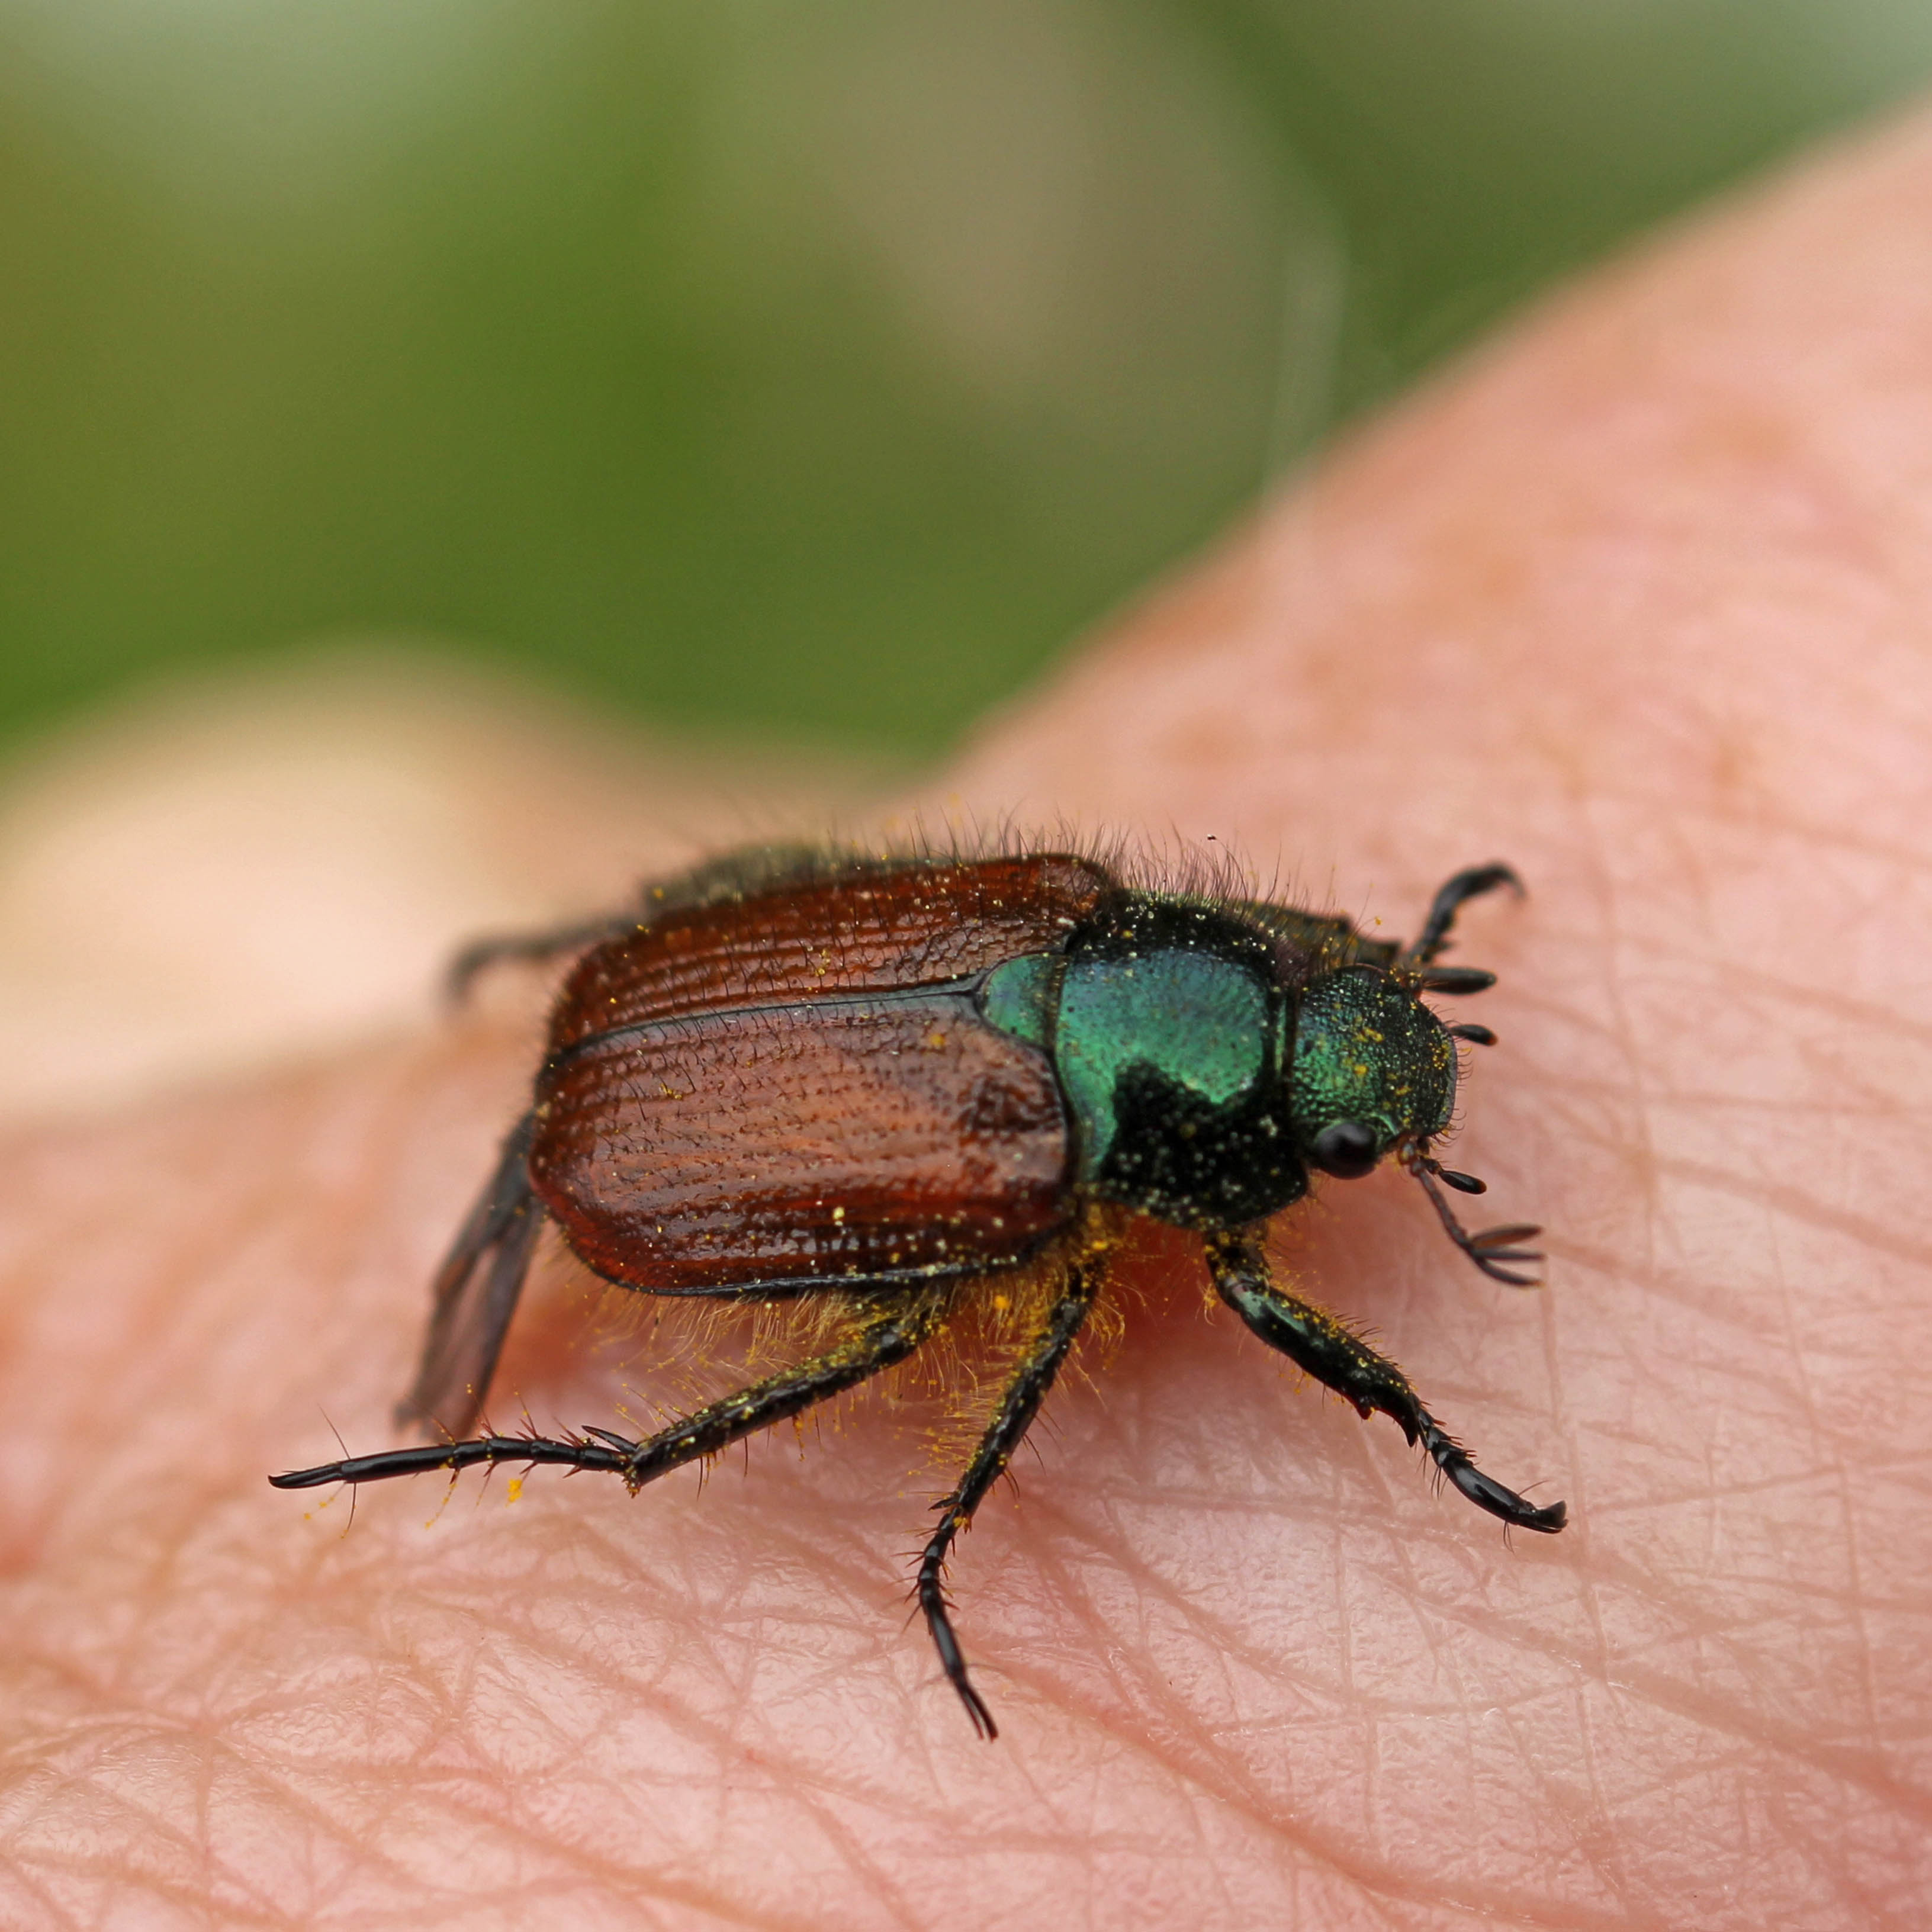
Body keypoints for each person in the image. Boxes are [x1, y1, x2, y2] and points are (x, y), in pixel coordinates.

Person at [3, 102, 1927, 1929]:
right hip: (655, 1150)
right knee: (947, 1341)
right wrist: (1423, 1435)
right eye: (1346, 1085)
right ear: (1231, 1096)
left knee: (834, 990)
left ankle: (610, 1081)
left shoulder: (1074, 921)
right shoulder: (1054, 1171)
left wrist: (1372, 983)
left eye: (1355, 995)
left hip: (666, 1020)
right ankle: (625, 1455)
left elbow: (853, 902)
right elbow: (1213, 1314)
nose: (1358, 1107)